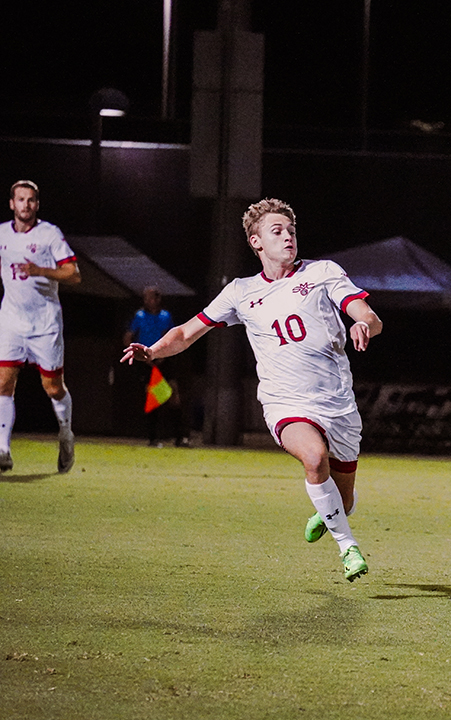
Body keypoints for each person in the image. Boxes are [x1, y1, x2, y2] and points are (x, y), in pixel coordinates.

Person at [122, 198, 383, 582]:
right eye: (277, 231)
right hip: (284, 401)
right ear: (256, 242)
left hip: (337, 403)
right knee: (314, 457)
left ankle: (328, 510)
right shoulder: (240, 292)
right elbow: (186, 333)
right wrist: (154, 352)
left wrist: (364, 325)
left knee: (343, 500)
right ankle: (349, 548)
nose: (288, 237)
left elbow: (366, 314)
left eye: (291, 231)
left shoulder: (323, 272)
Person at [0, 179, 80, 474]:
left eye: (31, 200)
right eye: (20, 199)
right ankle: (3, 449)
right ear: (12, 203)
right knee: (3, 382)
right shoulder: (2, 234)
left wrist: (40, 270)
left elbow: (74, 274)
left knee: (52, 387)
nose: (26, 205)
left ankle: (66, 435)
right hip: (11, 320)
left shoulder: (49, 234)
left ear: (37, 204)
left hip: (45, 322)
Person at [123, 286, 191, 448]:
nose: (149, 301)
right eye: (146, 298)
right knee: (153, 397)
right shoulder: (139, 315)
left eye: (151, 298)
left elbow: (171, 336)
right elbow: (128, 336)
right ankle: (153, 438)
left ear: (158, 299)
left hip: (163, 359)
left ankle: (179, 437)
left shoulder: (165, 316)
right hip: (146, 362)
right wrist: (140, 355)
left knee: (173, 396)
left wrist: (163, 354)